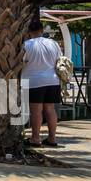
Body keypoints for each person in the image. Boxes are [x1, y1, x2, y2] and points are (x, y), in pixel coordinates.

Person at [22, 18, 62, 147]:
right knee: (50, 108)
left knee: (36, 110)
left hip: (34, 81)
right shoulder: (53, 43)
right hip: (52, 79)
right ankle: (52, 138)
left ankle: (35, 138)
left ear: (28, 31)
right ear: (42, 30)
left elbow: (22, 62)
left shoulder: (27, 45)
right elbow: (59, 61)